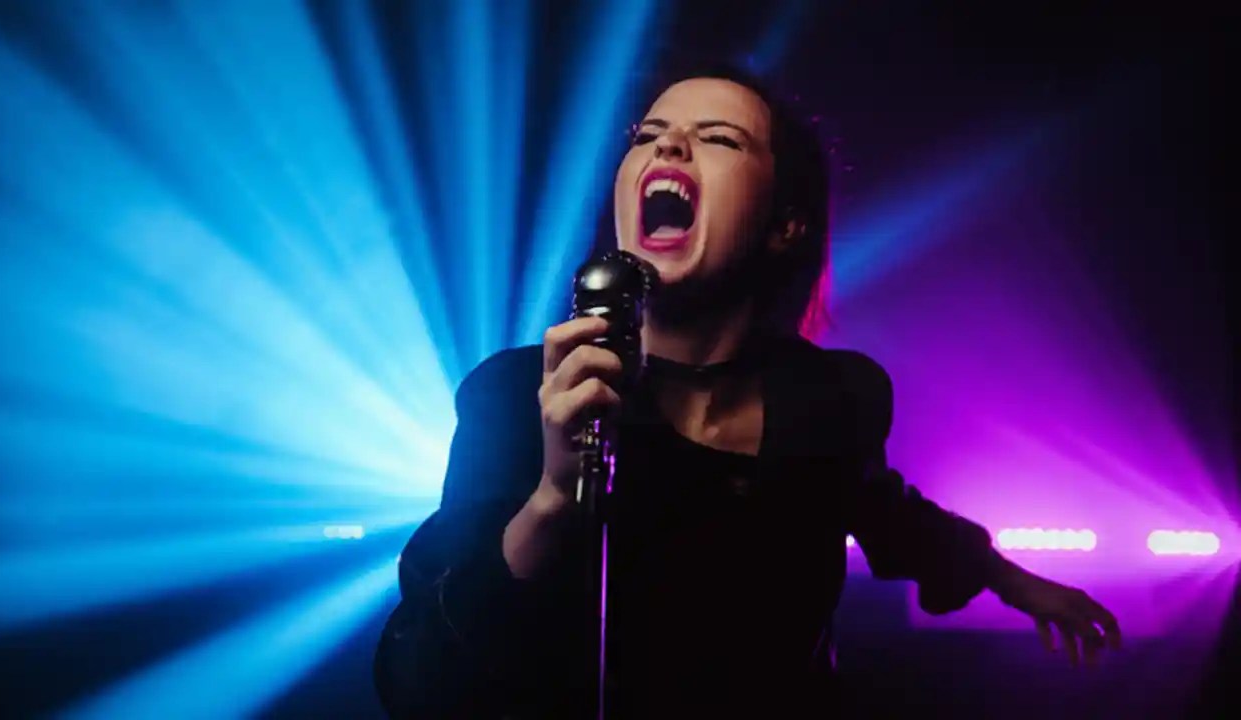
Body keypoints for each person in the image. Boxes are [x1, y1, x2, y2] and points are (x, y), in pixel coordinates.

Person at [373, 65, 1121, 718]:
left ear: (786, 224)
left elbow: (886, 511)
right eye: (648, 133)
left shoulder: (833, 400)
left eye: (720, 139)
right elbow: (423, 672)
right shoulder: (515, 396)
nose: (666, 147)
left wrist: (1012, 580)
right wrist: (553, 498)